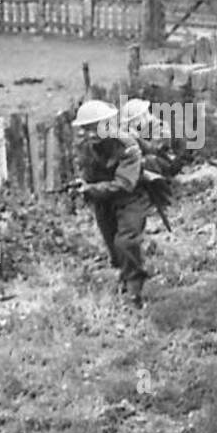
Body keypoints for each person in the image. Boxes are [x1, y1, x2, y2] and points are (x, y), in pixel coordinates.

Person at [70, 99, 152, 308]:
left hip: (131, 199)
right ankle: (125, 276)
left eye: (93, 128)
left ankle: (134, 292)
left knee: (126, 242)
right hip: (104, 202)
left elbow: (125, 184)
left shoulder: (126, 145)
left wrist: (92, 189)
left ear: (107, 123)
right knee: (113, 248)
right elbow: (88, 172)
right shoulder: (86, 146)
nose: (89, 134)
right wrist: (83, 185)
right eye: (85, 129)